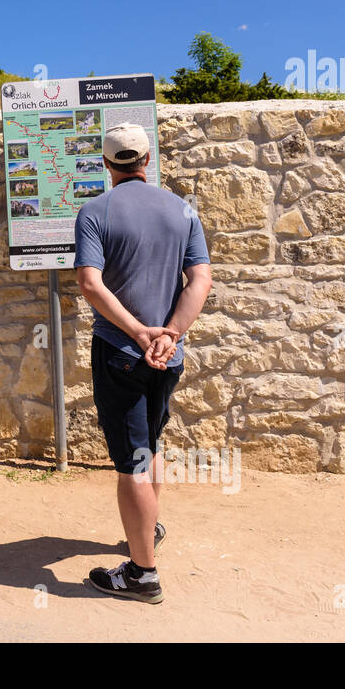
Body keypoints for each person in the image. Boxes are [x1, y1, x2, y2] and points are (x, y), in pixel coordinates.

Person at [72, 122, 212, 603]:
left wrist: (137, 333)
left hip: (120, 352)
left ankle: (141, 574)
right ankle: (146, 531)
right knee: (148, 445)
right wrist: (170, 334)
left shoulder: (95, 212)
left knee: (131, 460)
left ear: (106, 165)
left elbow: (90, 283)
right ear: (147, 160)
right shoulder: (182, 210)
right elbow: (200, 281)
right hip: (168, 356)